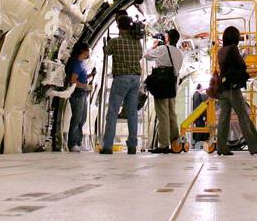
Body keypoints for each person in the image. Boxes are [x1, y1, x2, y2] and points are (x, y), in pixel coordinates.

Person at [213, 25, 257, 156]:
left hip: (223, 88)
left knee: (224, 119)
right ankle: (255, 146)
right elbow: (242, 65)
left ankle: (221, 147)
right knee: (243, 116)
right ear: (235, 38)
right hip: (233, 87)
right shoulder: (233, 49)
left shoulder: (221, 51)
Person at [100, 13, 143, 155]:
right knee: (132, 114)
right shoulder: (137, 42)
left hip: (121, 79)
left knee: (112, 112)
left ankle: (107, 146)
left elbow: (107, 52)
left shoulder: (116, 41)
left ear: (118, 27)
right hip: (135, 79)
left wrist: (106, 43)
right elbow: (140, 56)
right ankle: (132, 146)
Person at [145, 28, 184, 153]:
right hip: (172, 85)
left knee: (162, 114)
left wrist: (153, 46)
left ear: (168, 38)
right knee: (172, 113)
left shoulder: (162, 49)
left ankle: (163, 144)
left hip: (161, 84)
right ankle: (175, 142)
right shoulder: (179, 53)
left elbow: (147, 56)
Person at [63, 42, 92, 152]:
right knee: (76, 118)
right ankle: (72, 143)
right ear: (82, 51)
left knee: (82, 118)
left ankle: (79, 142)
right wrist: (85, 86)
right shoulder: (76, 64)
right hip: (77, 94)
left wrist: (90, 75)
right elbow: (73, 80)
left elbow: (82, 77)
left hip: (82, 93)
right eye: (86, 51)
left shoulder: (82, 63)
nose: (88, 53)